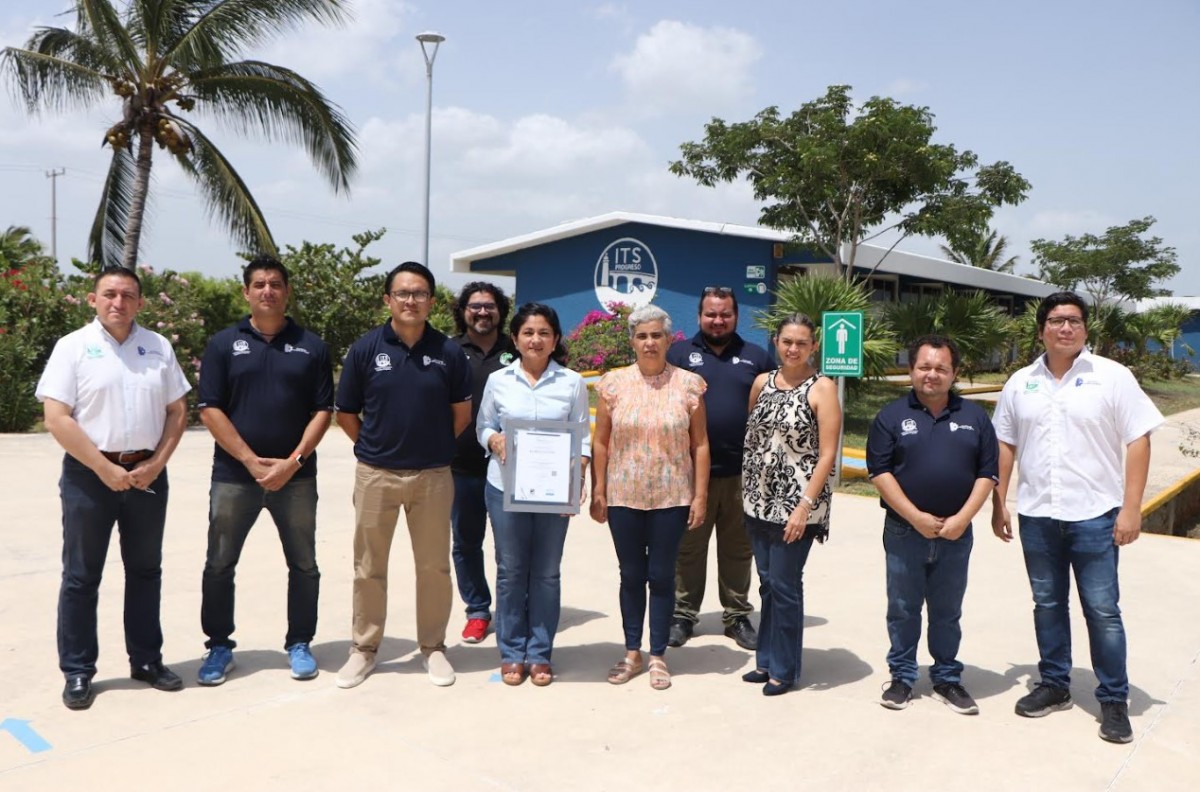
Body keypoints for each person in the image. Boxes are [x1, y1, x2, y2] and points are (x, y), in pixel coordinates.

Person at [991, 291, 1163, 744]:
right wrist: (998, 501)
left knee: (1102, 611)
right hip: (1037, 515)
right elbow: (1005, 443)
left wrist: (1131, 508)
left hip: (1095, 515)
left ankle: (1113, 699)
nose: (1065, 327)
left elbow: (1139, 439)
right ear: (1041, 329)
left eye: (1073, 320)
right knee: (1047, 604)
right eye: (1056, 320)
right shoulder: (1020, 382)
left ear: (1086, 329)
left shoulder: (1112, 376)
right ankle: (1054, 684)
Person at [36, 266, 191, 709]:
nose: (118, 302)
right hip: (89, 476)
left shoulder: (157, 347)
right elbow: (57, 418)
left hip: (147, 475)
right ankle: (78, 670)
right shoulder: (72, 347)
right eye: (109, 294)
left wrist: (157, 464)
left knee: (145, 571)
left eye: (127, 295)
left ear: (140, 302)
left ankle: (146, 661)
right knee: (82, 576)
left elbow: (178, 411)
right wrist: (103, 468)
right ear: (93, 299)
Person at [194, 255, 334, 685]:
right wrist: (250, 461)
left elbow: (323, 410)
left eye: (275, 284)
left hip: (296, 478)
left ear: (287, 292)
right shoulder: (223, 344)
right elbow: (209, 409)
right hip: (235, 476)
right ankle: (219, 646)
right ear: (246, 292)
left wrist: (293, 462)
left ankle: (300, 643)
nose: (268, 291)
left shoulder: (312, 346)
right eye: (259, 284)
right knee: (219, 563)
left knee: (304, 564)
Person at [333, 261, 472, 689]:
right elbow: (346, 413)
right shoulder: (365, 349)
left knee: (433, 568)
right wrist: (375, 448)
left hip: (432, 477)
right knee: (368, 567)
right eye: (403, 293)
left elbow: (461, 414)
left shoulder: (448, 352)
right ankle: (364, 648)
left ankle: (433, 647)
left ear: (432, 301)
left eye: (420, 293)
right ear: (388, 300)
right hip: (376, 475)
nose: (411, 300)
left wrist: (431, 446)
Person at [866, 335, 998, 714]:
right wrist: (916, 517)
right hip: (905, 530)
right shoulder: (891, 417)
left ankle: (947, 678)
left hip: (956, 532)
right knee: (903, 607)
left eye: (941, 368)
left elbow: (987, 473)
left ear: (954, 373)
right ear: (911, 370)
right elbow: (880, 473)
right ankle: (902, 677)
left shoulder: (975, 417)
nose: (932, 374)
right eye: (924, 366)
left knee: (947, 611)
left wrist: (962, 519)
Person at [591, 305, 709, 691]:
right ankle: (632, 652)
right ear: (632, 341)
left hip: (672, 496)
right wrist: (599, 489)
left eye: (656, 335)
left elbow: (700, 444)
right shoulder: (613, 384)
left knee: (661, 576)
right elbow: (601, 441)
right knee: (630, 575)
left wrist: (700, 495)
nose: (649, 342)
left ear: (669, 339)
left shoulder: (689, 385)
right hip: (624, 495)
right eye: (641, 336)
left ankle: (658, 653)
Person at [476, 304, 591, 686]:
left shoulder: (572, 382)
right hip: (505, 488)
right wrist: (493, 439)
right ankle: (511, 653)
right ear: (515, 339)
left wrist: (578, 479)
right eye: (528, 332)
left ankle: (540, 653)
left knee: (546, 573)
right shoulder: (499, 380)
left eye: (544, 333)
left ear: (555, 339)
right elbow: (483, 425)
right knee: (510, 571)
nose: (536, 340)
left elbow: (582, 436)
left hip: (554, 492)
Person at [740, 314, 840, 696]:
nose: (793, 349)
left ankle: (784, 669)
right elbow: (756, 436)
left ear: (814, 346)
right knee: (767, 584)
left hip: (798, 505)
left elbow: (827, 454)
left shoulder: (822, 388)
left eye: (801, 343)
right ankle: (765, 661)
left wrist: (804, 505)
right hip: (758, 501)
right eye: (787, 341)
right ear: (776, 342)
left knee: (784, 585)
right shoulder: (762, 383)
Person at [666, 286, 771, 650]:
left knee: (738, 550)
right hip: (690, 473)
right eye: (711, 313)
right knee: (688, 548)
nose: (718, 320)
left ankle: (737, 616)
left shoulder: (756, 357)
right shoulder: (678, 355)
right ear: (699, 316)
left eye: (725, 314)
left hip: (743, 473)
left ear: (736, 317)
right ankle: (682, 615)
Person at [449, 282, 514, 645]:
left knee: (511, 547)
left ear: (500, 310)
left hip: (511, 469)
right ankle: (477, 610)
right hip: (461, 466)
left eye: (489, 305)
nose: (482, 312)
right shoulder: (449, 350)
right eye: (475, 306)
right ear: (463, 311)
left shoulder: (516, 349)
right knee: (466, 542)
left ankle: (510, 610)